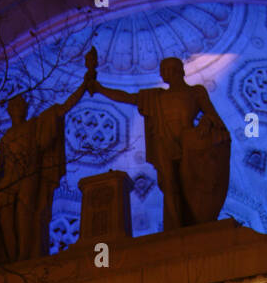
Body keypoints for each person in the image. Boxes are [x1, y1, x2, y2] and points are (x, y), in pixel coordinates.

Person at [89, 57, 231, 229]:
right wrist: (100, 89)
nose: (165, 74)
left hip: (189, 146)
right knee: (170, 187)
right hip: (164, 144)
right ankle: (174, 230)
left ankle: (194, 225)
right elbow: (127, 97)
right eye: (163, 71)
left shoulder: (196, 92)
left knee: (189, 186)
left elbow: (213, 116)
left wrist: (206, 121)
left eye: (169, 69)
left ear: (180, 70)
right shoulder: (155, 96)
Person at [0, 77, 88, 267]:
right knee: (6, 224)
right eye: (14, 107)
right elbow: (0, 166)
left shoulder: (35, 126)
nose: (17, 110)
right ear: (9, 111)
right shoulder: (5, 138)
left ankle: (24, 259)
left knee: (25, 218)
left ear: (26, 109)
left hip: (28, 179)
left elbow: (62, 110)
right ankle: (12, 263)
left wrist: (85, 84)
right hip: (6, 184)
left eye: (20, 106)